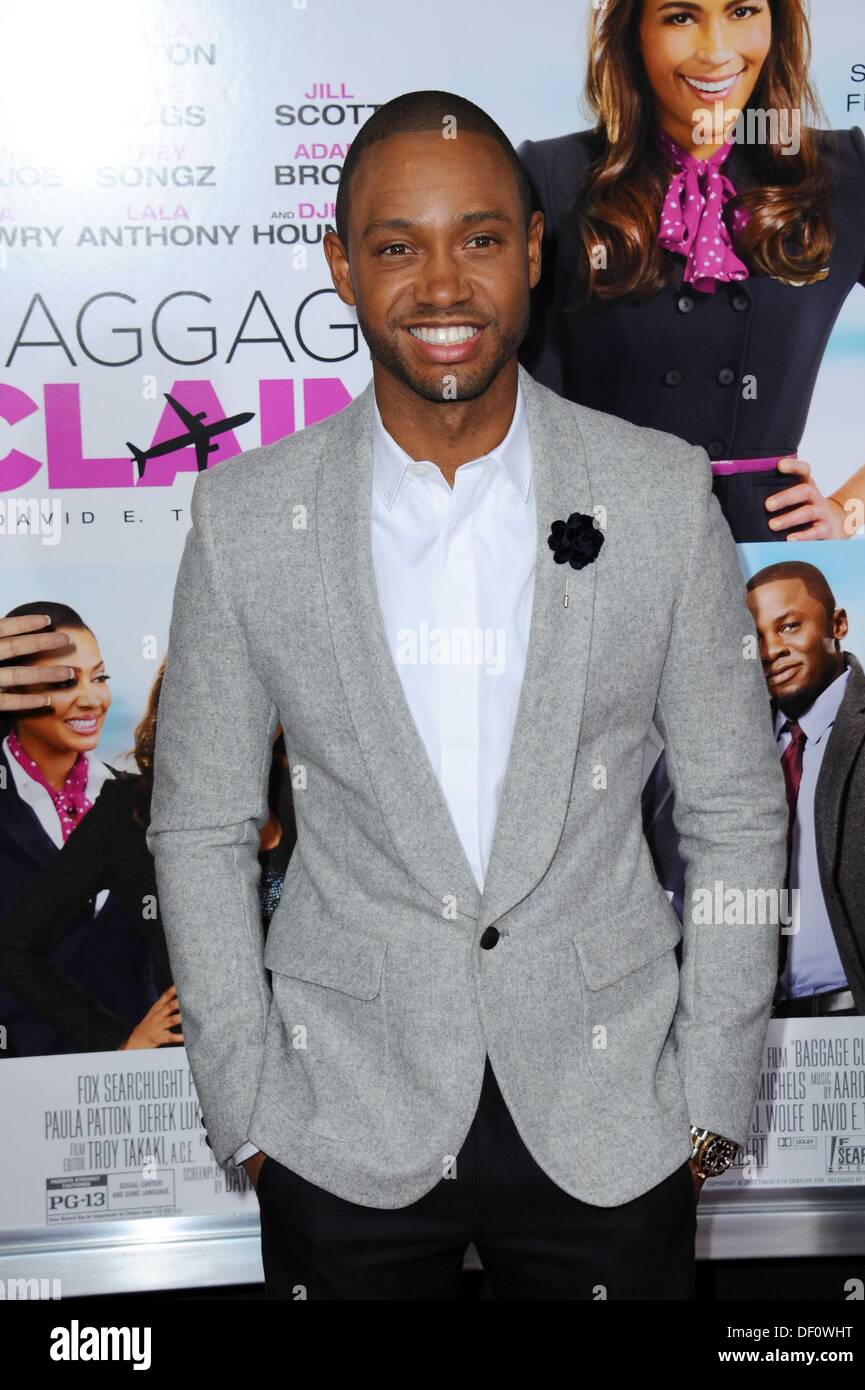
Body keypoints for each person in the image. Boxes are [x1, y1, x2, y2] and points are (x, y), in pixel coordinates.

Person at [146, 90, 787, 1301]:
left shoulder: (657, 495)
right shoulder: (244, 519)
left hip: (613, 1122)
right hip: (342, 1123)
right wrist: (246, 1100)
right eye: (398, 246)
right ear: (342, 265)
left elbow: (739, 810)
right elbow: (199, 824)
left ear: (534, 251)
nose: (443, 286)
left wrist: (709, 1099)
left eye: (480, 239)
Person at [516, 0, 865, 545]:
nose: (718, 50)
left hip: (770, 571)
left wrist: (849, 508)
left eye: (743, 11)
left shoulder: (843, 177)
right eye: (680, 17)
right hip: (597, 558)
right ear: (634, 32)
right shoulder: (550, 177)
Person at [0, 653, 296, 1053]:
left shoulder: (306, 801)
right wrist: (120, 1042)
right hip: (199, 1075)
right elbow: (16, 946)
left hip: (316, 1066)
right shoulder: (130, 812)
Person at [745, 560, 865, 1016]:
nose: (770, 651)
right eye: (756, 637)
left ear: (838, 624)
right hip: (760, 1030)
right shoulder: (733, 751)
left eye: (789, 627)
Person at [0, 603, 159, 1056]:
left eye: (99, 677)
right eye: (64, 681)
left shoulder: (139, 802)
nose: (91, 698)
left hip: (137, 1082)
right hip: (15, 1083)